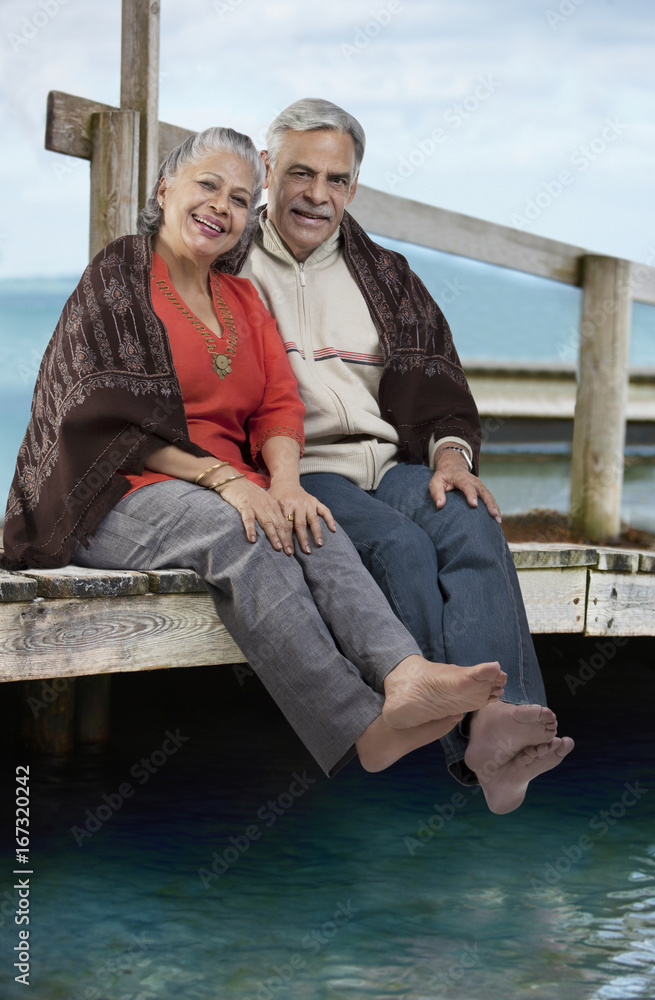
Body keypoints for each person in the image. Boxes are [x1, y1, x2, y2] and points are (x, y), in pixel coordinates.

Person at [2, 127, 511, 781]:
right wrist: (226, 480)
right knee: (241, 532)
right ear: (166, 189)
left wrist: (286, 481)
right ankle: (361, 729)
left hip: (222, 484)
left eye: (240, 198)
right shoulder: (123, 276)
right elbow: (97, 411)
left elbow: (278, 404)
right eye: (207, 186)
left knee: (308, 524)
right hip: (116, 491)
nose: (221, 206)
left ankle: (405, 674)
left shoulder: (240, 296)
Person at [215, 100, 575, 814]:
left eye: (337, 180)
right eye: (300, 173)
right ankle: (478, 732)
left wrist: (448, 456)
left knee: (468, 517)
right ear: (265, 170)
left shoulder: (385, 273)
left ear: (353, 187)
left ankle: (503, 721)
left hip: (390, 464)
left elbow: (439, 377)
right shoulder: (223, 263)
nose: (318, 194)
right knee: (399, 547)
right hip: (300, 469)